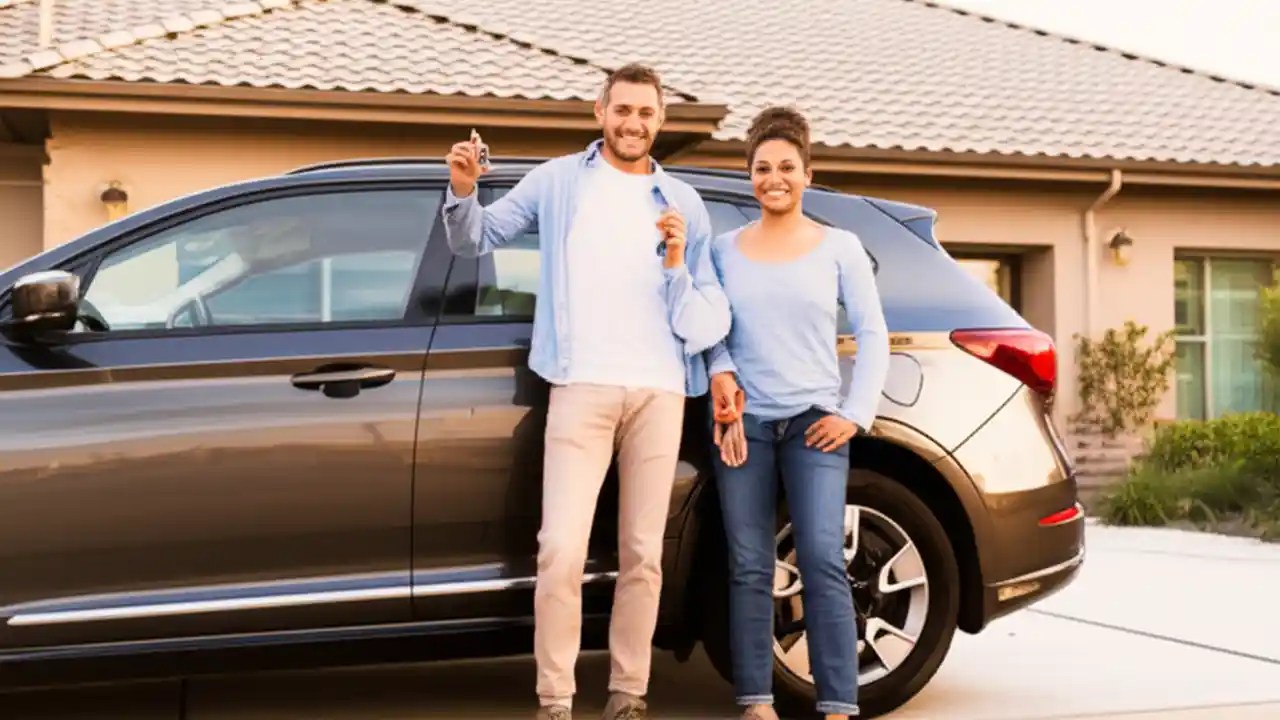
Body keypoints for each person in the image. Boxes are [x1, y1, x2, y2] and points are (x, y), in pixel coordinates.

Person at [441, 63, 731, 720]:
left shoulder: (683, 202)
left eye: (646, 114)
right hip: (580, 388)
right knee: (562, 549)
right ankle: (555, 700)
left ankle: (628, 694)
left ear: (660, 122)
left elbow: (712, 313)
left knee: (640, 554)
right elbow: (475, 239)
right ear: (600, 110)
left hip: (659, 394)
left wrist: (683, 274)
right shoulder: (559, 181)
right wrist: (462, 189)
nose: (633, 123)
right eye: (622, 109)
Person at [706, 106, 891, 720]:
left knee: (819, 557)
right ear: (749, 175)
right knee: (750, 564)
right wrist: (722, 381)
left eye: (787, 167)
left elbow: (873, 334)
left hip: (815, 427)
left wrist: (855, 414)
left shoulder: (839, 247)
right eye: (762, 168)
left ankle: (839, 705)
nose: (774, 178)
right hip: (745, 427)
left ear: (808, 174)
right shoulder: (723, 250)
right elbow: (712, 331)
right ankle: (756, 704)